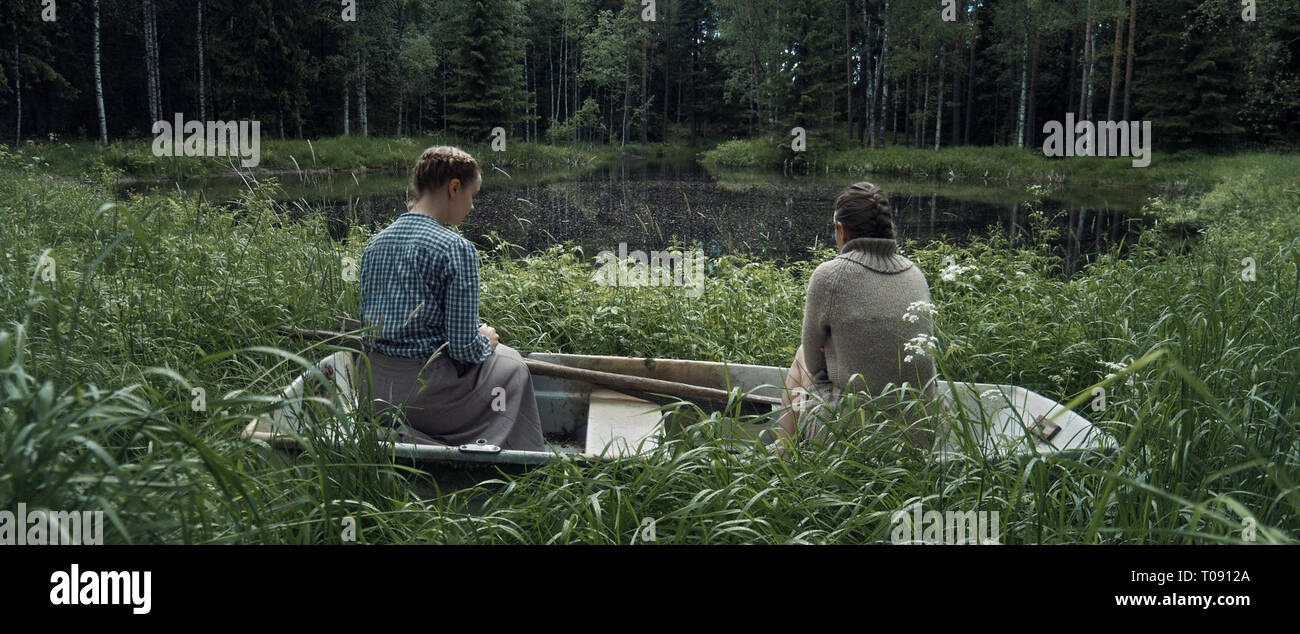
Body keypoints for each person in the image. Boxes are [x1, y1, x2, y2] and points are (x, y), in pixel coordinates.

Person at [356, 146, 546, 451]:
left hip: (373, 390)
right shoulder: (455, 248)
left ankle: (400, 436)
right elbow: (463, 348)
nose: (471, 207)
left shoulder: (374, 245)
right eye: (472, 195)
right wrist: (486, 339)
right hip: (424, 396)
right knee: (512, 366)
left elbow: (368, 330)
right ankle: (518, 455)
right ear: (453, 188)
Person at [773, 182, 939, 454]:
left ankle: (782, 453)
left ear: (841, 230)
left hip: (852, 436)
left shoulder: (830, 277)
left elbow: (815, 368)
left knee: (802, 357)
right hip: (919, 432)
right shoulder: (916, 275)